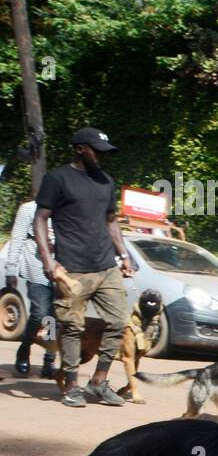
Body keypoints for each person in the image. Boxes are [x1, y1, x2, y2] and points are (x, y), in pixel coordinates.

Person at [33, 127, 136, 407]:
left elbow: (111, 220)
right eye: (97, 150)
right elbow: (40, 219)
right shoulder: (57, 179)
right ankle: (71, 384)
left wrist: (124, 255)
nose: (102, 157)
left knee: (118, 322)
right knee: (73, 327)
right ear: (79, 148)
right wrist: (48, 260)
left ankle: (99, 381)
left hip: (106, 266)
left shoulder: (105, 181)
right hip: (72, 269)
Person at [5, 199, 57, 378]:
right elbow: (17, 239)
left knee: (53, 317)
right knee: (40, 313)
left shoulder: (66, 207)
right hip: (36, 269)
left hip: (62, 271)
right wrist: (11, 270)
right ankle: (24, 347)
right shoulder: (28, 209)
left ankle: (49, 359)